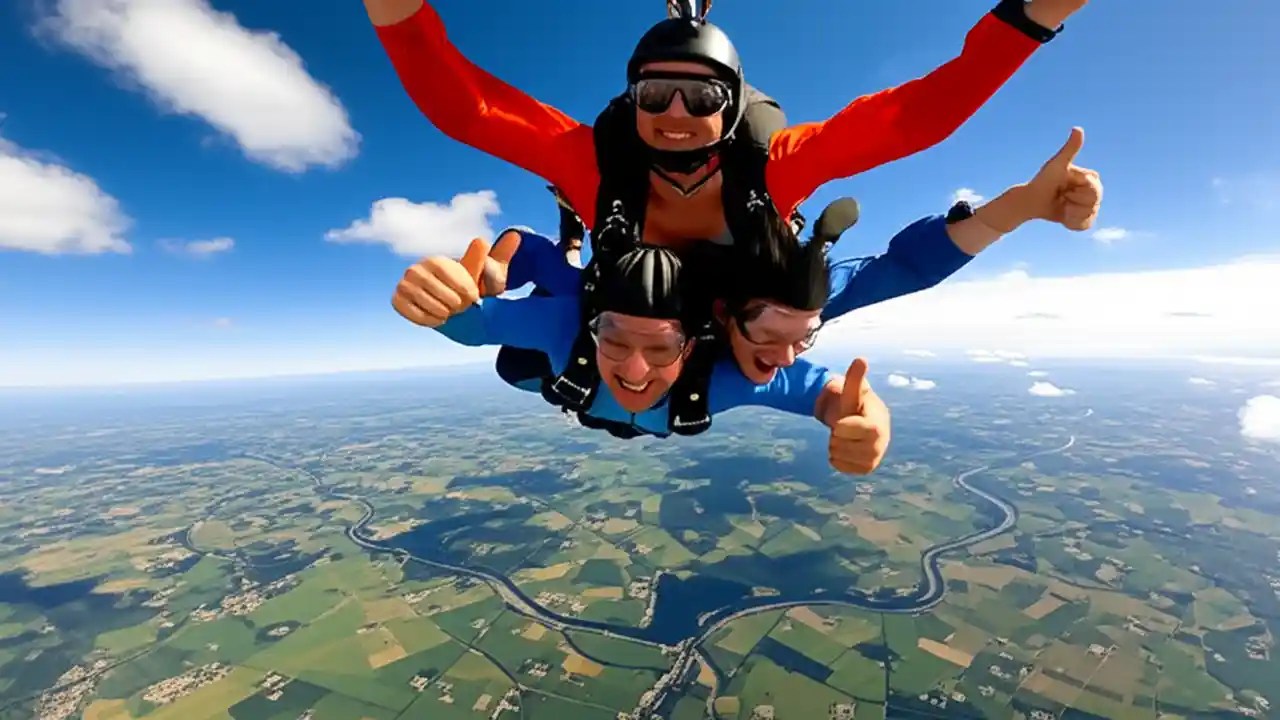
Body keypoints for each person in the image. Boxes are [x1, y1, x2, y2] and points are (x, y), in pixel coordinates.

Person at [364, 0, 1086, 258]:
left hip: (737, 274)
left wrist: (1033, 17)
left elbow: (914, 117)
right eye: (654, 94)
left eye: (699, 96)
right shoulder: (594, 159)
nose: (675, 115)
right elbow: (469, 111)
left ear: (730, 106)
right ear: (632, 99)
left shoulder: (776, 161)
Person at [465, 126, 1103, 386]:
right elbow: (532, 255)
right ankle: (578, 227)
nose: (791, 355)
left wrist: (1017, 208)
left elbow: (905, 270)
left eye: (804, 336)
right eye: (775, 335)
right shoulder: (643, 298)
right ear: (725, 309)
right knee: (525, 357)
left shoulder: (795, 303)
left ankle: (576, 229)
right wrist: (495, 269)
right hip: (590, 330)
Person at [392, 241, 890, 474]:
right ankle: (572, 245)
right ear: (593, 328)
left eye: (660, 348)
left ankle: (572, 253)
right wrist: (437, 295)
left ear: (692, 345)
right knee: (512, 363)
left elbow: (830, 395)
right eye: (614, 340)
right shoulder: (566, 322)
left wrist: (871, 423)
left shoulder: (726, 374)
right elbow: (473, 322)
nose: (634, 369)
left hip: (603, 404)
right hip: (567, 372)